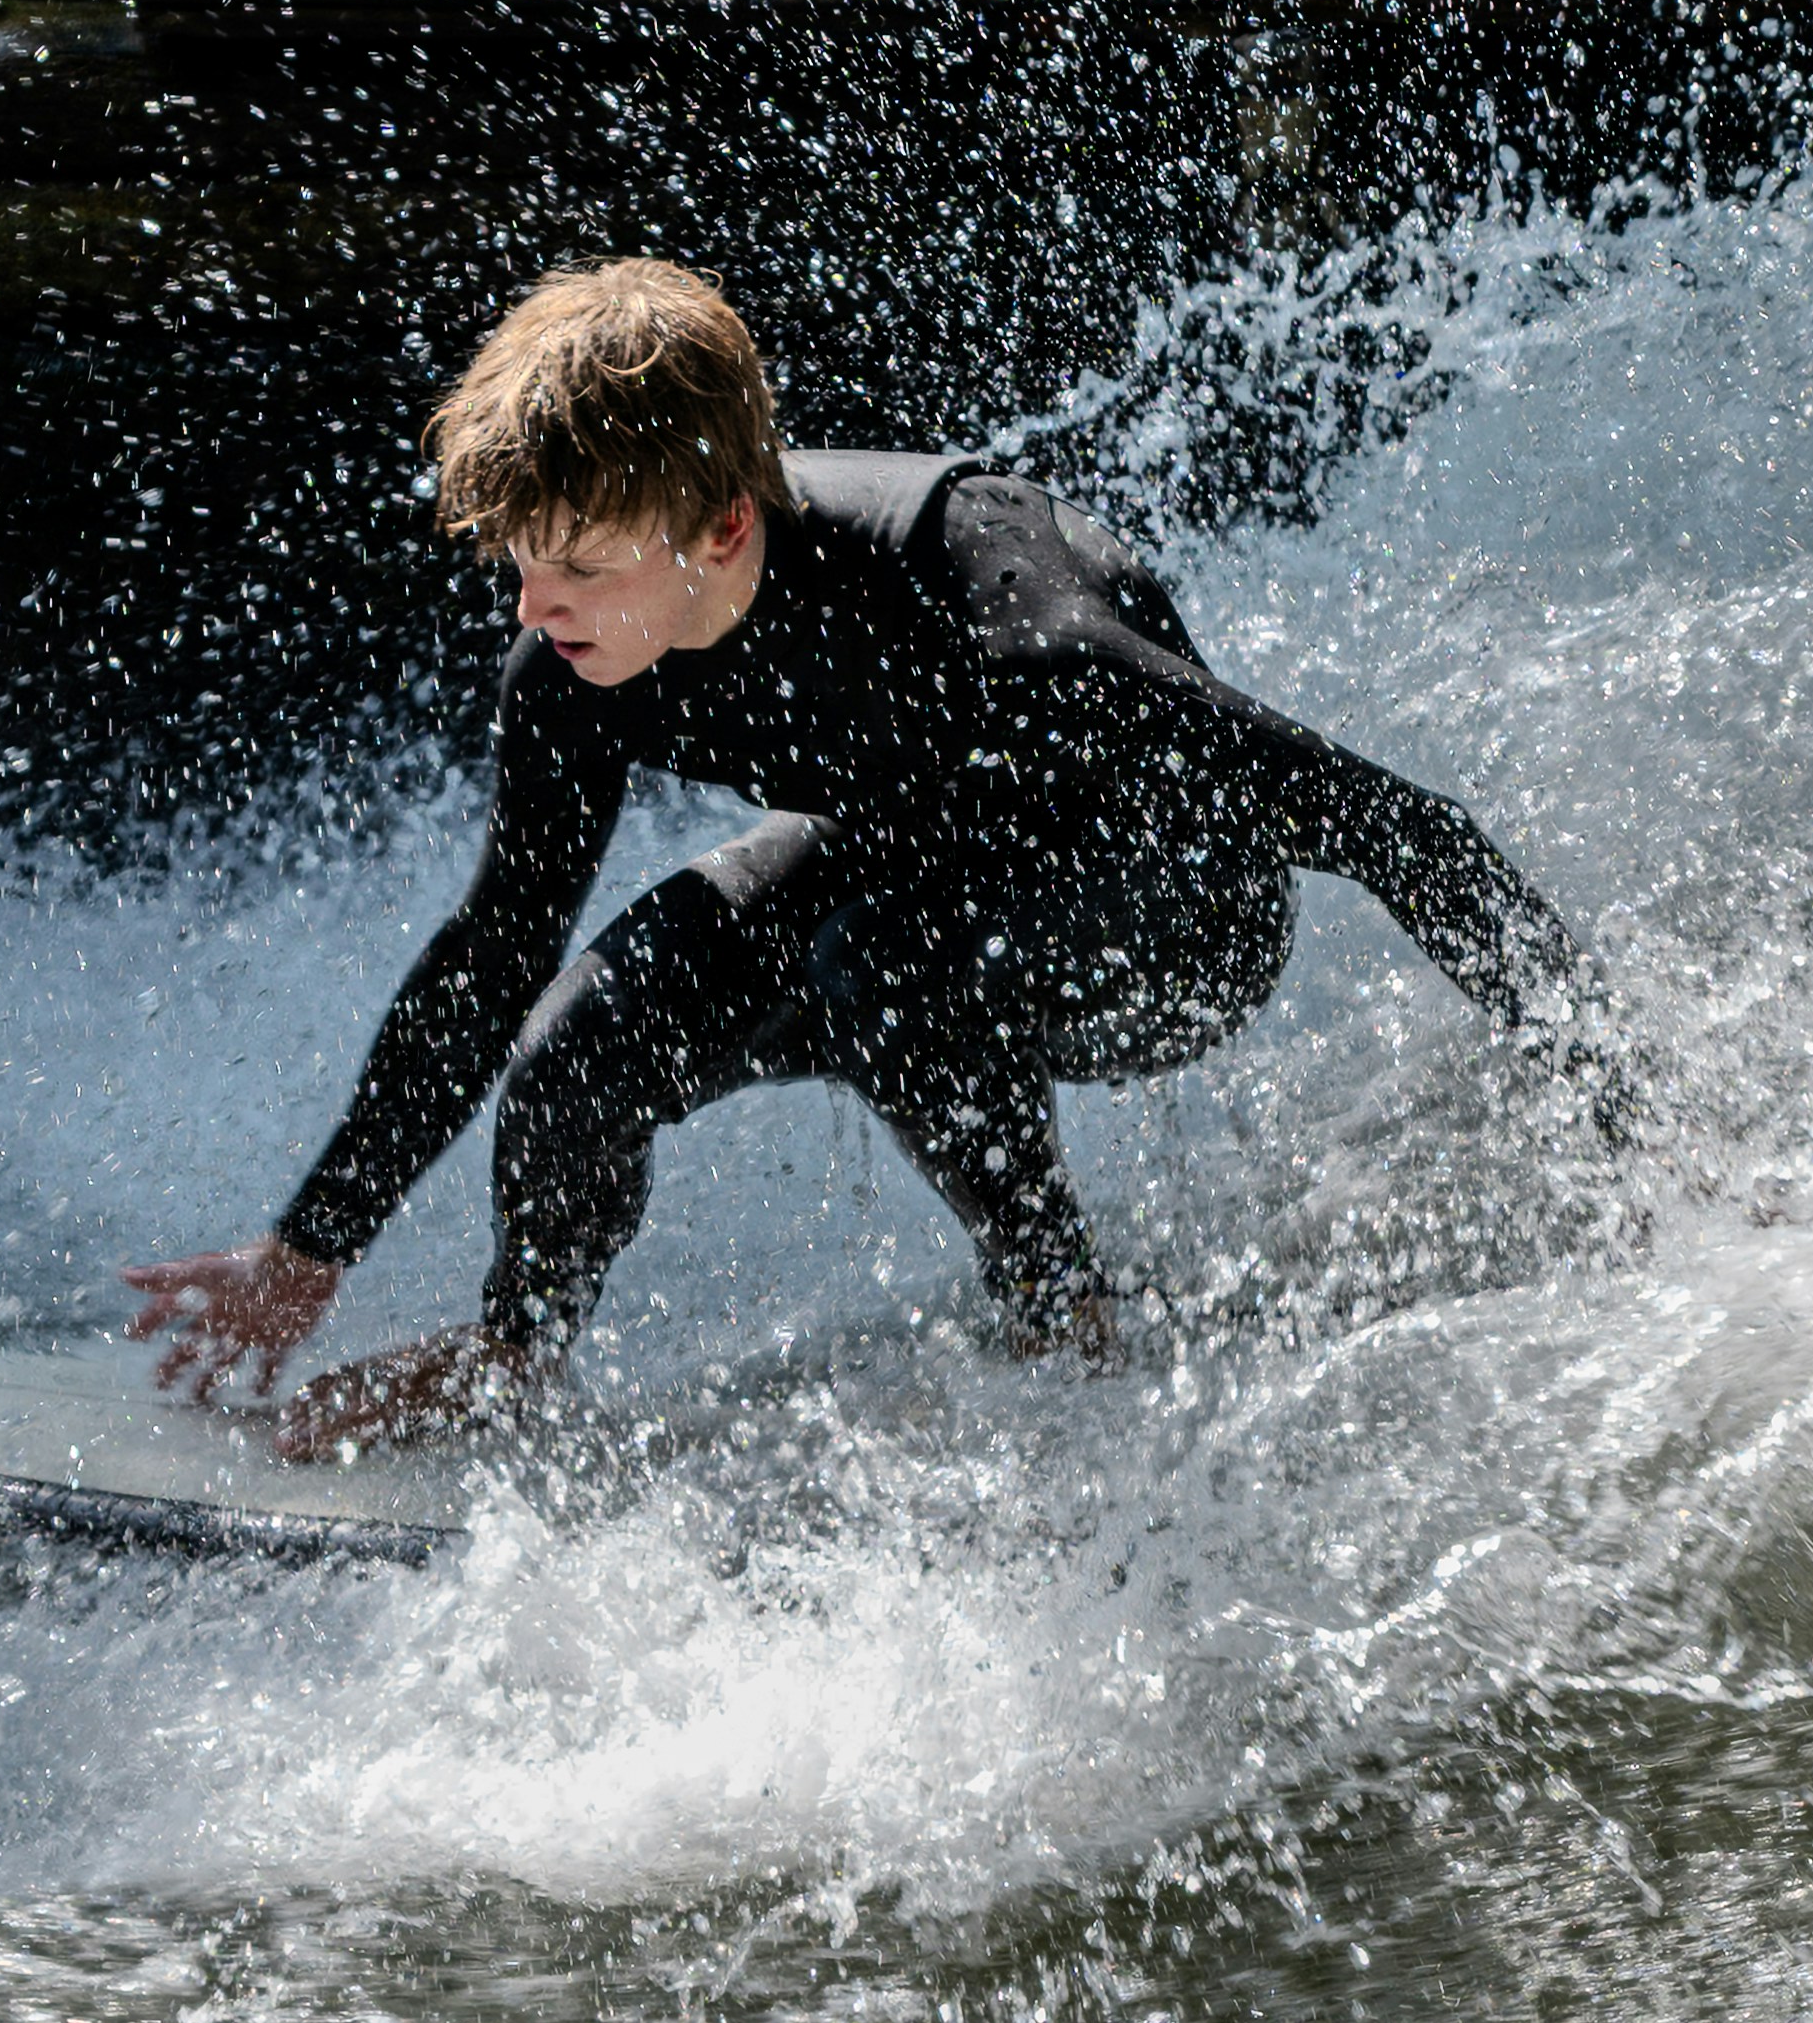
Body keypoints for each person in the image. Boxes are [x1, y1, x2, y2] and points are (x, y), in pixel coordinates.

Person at [131, 256, 1601, 1455]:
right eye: (519, 555)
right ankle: (519, 1354)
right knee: (579, 1037)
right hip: (919, 870)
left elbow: (1395, 827)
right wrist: (310, 1246)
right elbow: (491, 950)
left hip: (1171, 914)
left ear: (715, 524)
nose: (534, 598)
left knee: (884, 951)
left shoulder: (1000, 598)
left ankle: (1061, 1321)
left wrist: (1629, 1110)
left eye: (574, 562)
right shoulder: (573, 657)